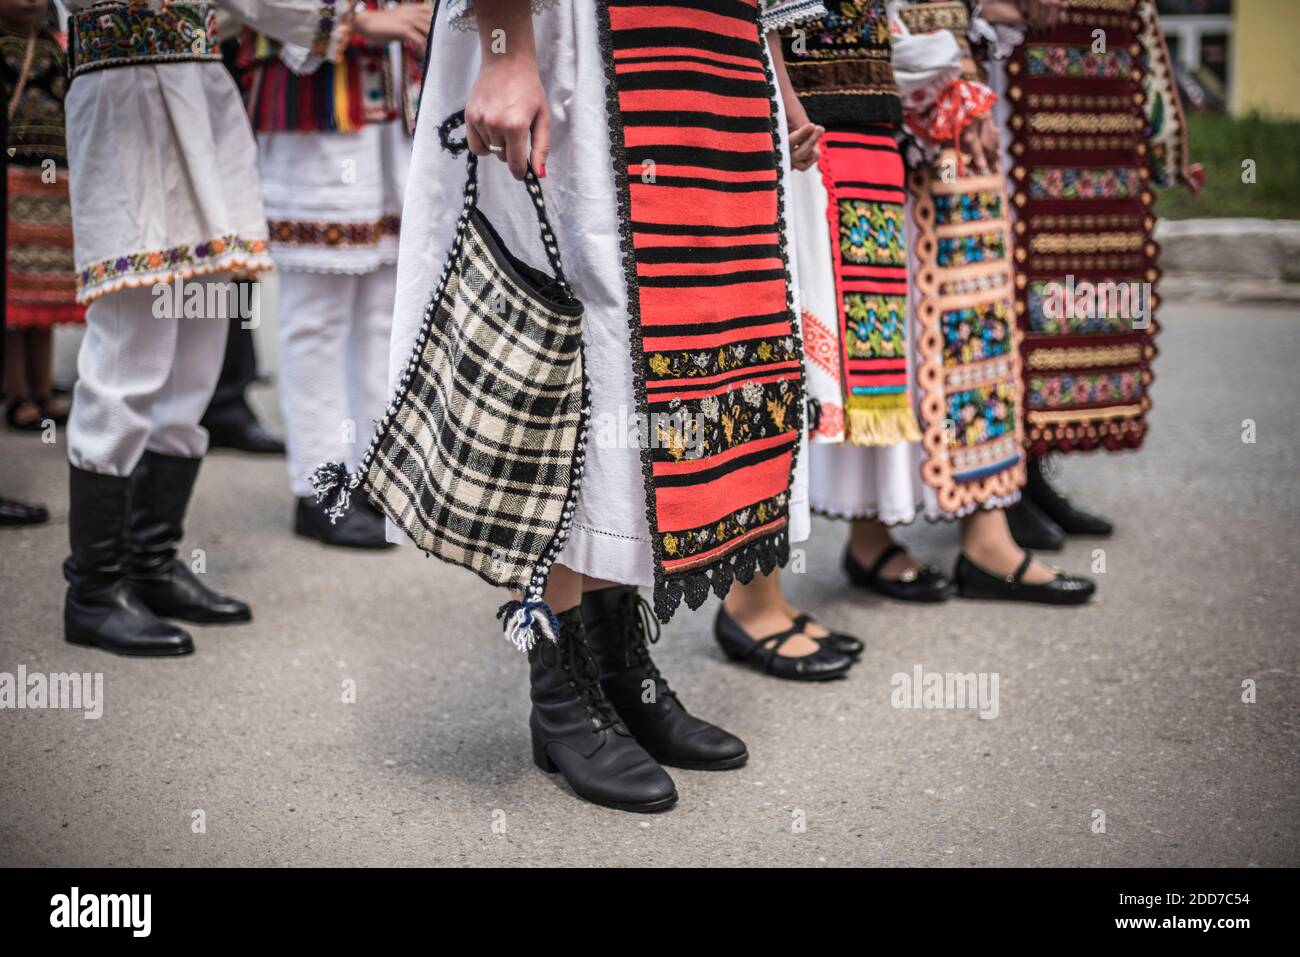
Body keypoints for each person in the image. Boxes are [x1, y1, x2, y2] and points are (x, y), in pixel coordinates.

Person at [359, 0, 835, 811]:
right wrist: (506, 45)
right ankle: (562, 692)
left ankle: (619, 671)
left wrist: (776, 73)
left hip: (708, 45)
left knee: (646, 371)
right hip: (565, 34)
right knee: (576, 351)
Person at [59, 1, 374, 656]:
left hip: (198, 92)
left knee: (196, 349)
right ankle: (94, 589)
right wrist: (342, 19)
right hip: (125, 96)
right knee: (131, 347)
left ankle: (150, 561)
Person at [975, 0, 1199, 550]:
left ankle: (1035, 473)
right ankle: (1006, 486)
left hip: (1094, 82)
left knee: (1069, 293)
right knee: (1018, 283)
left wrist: (1162, 139)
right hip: (1022, 73)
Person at [241, 1, 429, 547]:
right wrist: (359, 19)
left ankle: (371, 474)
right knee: (316, 312)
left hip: (392, 107)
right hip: (318, 105)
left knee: (380, 308)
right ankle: (320, 484)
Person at [2, 1, 81, 433]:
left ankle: (43, 388)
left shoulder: (55, 46)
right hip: (13, 181)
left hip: (51, 184)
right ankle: (17, 392)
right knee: (14, 303)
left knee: (42, 296)